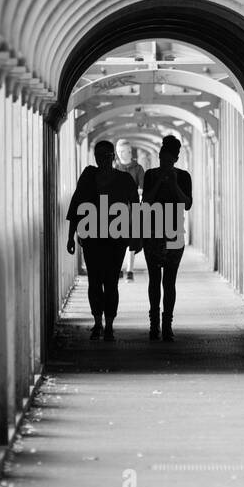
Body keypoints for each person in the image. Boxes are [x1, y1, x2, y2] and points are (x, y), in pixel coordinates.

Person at [66, 140, 141, 340]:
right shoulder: (88, 177)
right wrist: (70, 236)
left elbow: (135, 208)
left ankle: (109, 324)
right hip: (91, 237)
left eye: (106, 156)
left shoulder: (124, 179)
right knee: (94, 281)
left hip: (116, 239)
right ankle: (98, 322)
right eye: (99, 156)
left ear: (112, 157)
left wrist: (136, 236)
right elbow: (76, 205)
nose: (102, 160)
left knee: (110, 281)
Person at [141, 134, 192, 341]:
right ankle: (154, 324)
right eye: (163, 160)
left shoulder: (184, 176)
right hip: (152, 233)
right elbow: (147, 201)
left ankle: (167, 324)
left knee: (169, 281)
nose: (165, 163)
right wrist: (160, 181)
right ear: (159, 157)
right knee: (154, 279)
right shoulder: (151, 175)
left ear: (175, 160)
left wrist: (173, 185)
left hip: (174, 233)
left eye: (169, 161)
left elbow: (187, 204)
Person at [114, 144, 146, 280]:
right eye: (118, 151)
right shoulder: (115, 167)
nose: (120, 153)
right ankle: (119, 268)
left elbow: (144, 188)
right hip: (116, 209)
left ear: (129, 151)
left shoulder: (138, 169)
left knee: (131, 239)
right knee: (117, 238)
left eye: (123, 151)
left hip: (133, 208)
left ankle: (130, 269)